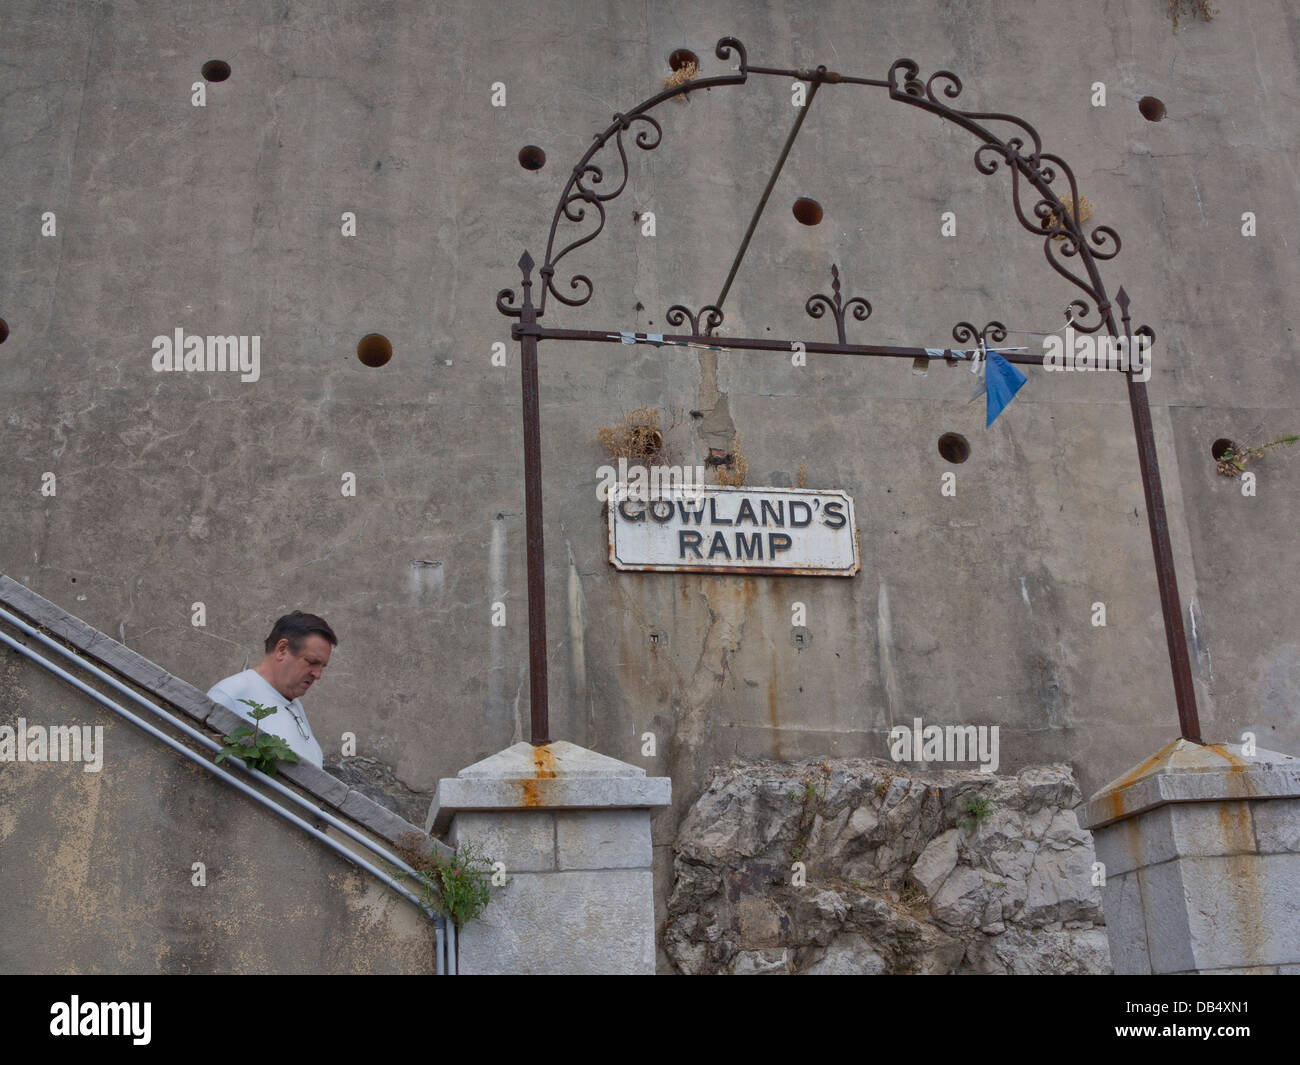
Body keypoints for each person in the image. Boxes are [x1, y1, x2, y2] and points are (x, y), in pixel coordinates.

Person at [207, 611, 336, 766]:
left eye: (322, 666)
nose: (317, 674)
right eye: (312, 661)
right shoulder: (230, 696)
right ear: (282, 649)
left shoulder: (291, 701)